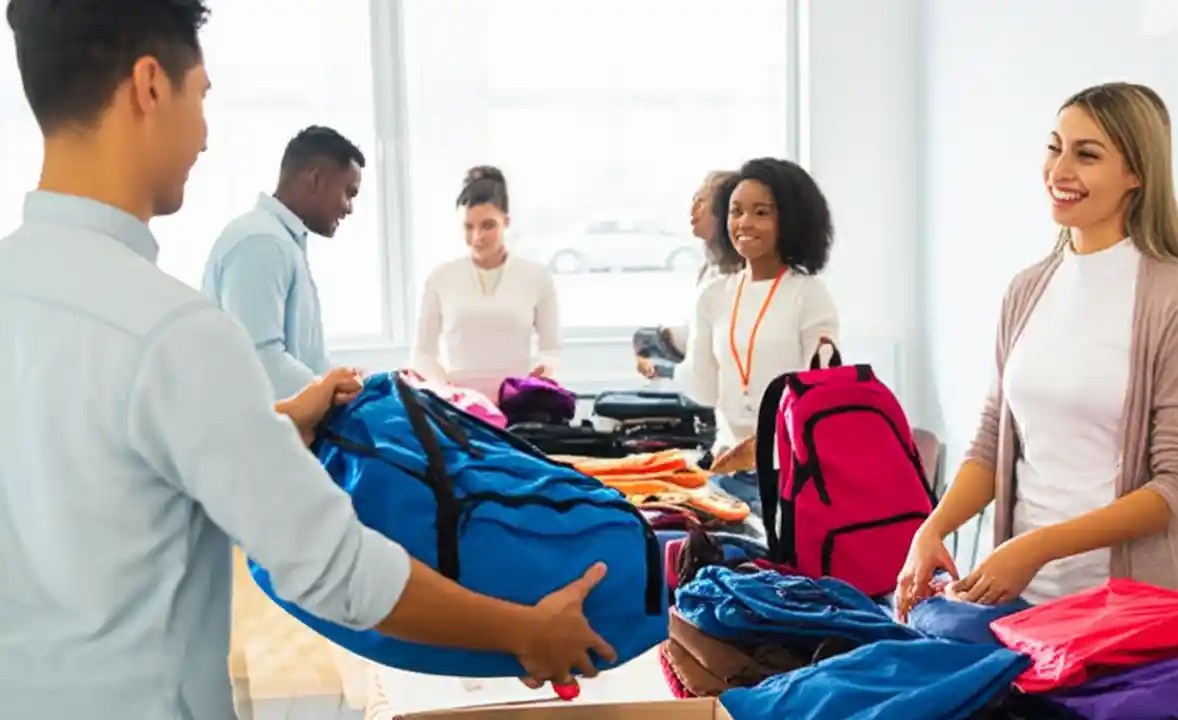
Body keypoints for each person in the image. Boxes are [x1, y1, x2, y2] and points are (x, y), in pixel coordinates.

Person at [0, 3, 613, 717]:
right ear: (149, 86)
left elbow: (107, 478)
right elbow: (336, 570)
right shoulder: (172, 332)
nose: (203, 136)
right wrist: (527, 630)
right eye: (202, 96)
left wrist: (285, 419)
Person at [896, 82, 1178, 617]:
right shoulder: (1028, 289)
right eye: (1055, 147)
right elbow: (992, 442)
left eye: (1087, 154)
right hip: (1021, 601)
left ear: (1136, 174)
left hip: (1122, 609)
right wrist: (931, 529)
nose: (1059, 170)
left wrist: (1038, 546)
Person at [682, 158, 840, 514]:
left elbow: (819, 398)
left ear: (790, 219)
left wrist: (760, 446)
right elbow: (704, 387)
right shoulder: (713, 295)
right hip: (726, 472)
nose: (745, 223)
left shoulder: (808, 294)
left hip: (793, 475)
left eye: (761, 212)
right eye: (736, 211)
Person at [201, 125, 364, 400]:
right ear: (315, 179)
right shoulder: (261, 242)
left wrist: (353, 383)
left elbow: (308, 361)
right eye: (349, 192)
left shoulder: (282, 242)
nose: (349, 208)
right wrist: (335, 393)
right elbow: (262, 365)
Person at [411, 165, 562, 403]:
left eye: (488, 225)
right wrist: (445, 388)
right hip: (460, 409)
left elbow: (551, 351)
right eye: (468, 227)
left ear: (506, 222)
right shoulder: (441, 278)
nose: (477, 237)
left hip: (517, 406)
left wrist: (543, 371)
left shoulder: (536, 277)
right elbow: (422, 354)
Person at [635, 169, 735, 382]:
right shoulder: (708, 267)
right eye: (693, 200)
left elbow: (710, 349)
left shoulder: (735, 274)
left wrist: (665, 338)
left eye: (702, 202)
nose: (693, 209)